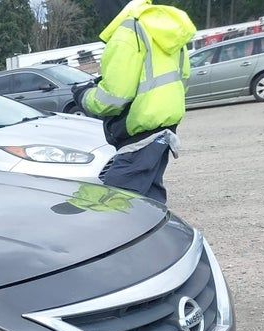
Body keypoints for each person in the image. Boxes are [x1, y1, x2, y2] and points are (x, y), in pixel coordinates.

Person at [73, 0, 196, 204]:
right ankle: (160, 235)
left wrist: (83, 96)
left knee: (115, 204)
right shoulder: (163, 29)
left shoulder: (127, 33)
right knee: (150, 201)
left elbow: (112, 99)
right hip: (165, 128)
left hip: (139, 131)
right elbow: (182, 78)